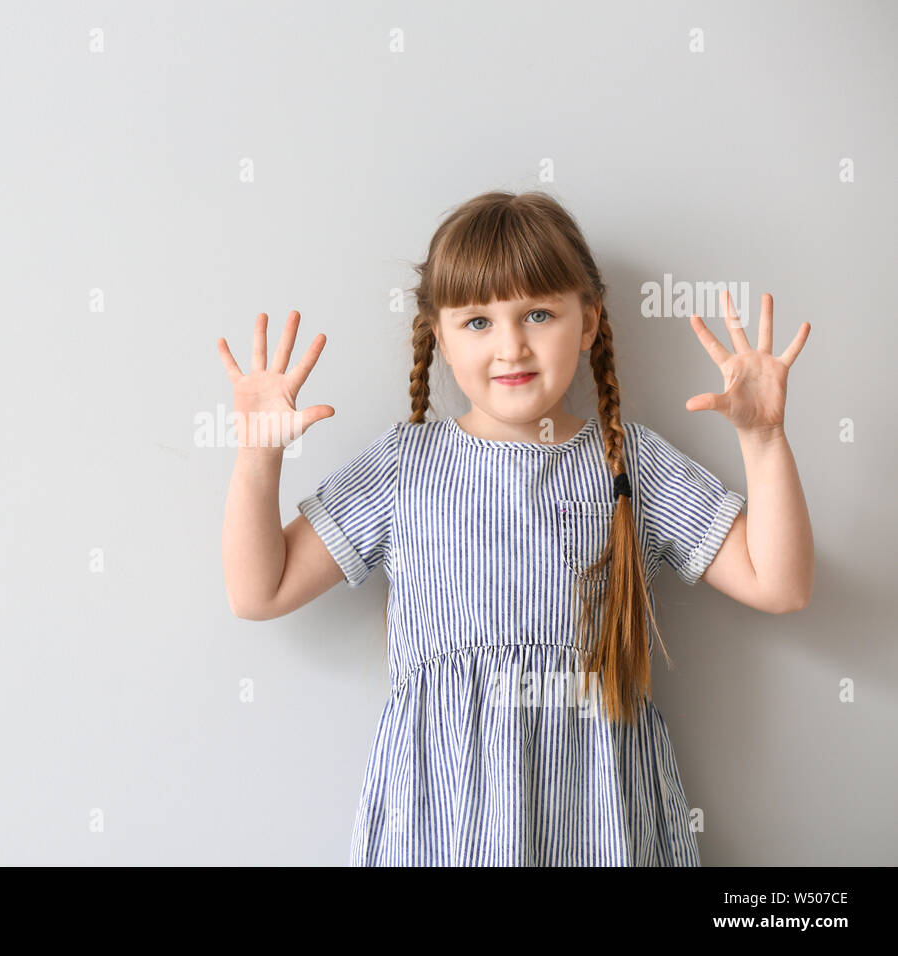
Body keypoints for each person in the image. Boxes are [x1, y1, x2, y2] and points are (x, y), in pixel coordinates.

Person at [216, 190, 813, 866]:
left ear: (587, 322)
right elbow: (257, 591)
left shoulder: (634, 461)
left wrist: (764, 442)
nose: (511, 346)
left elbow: (781, 585)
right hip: (442, 823)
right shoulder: (402, 466)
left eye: (538, 313)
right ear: (437, 335)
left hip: (596, 818)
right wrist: (258, 455)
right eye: (477, 322)